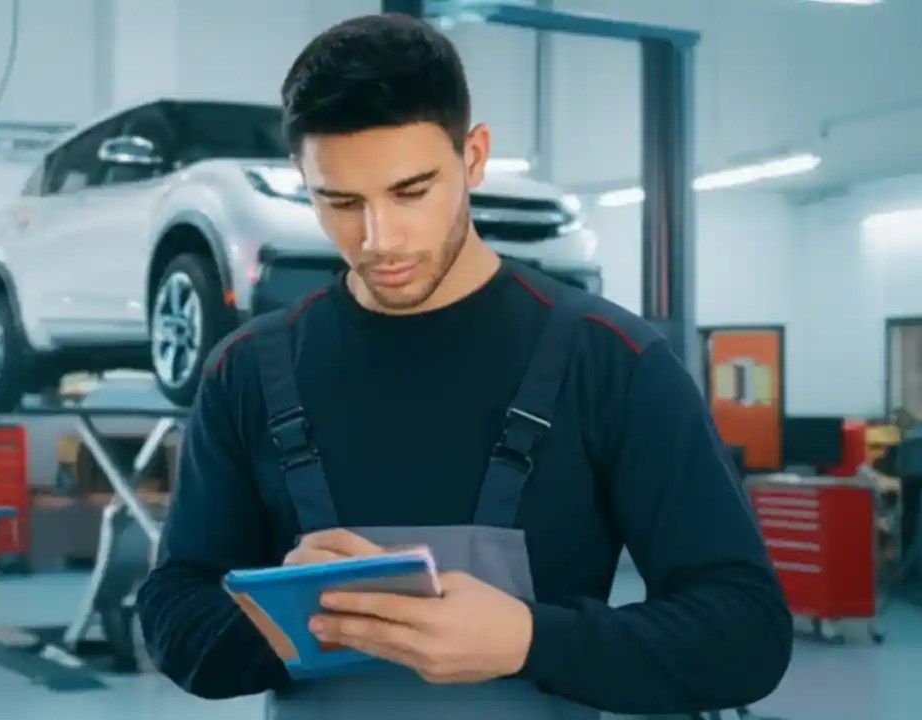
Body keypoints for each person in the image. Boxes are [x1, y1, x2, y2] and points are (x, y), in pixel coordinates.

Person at [136, 12, 793, 719]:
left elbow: (746, 633)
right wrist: (282, 624)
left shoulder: (612, 362)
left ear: (473, 157)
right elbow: (174, 614)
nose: (379, 237)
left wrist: (534, 641)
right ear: (303, 179)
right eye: (341, 201)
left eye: (411, 191)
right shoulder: (247, 373)